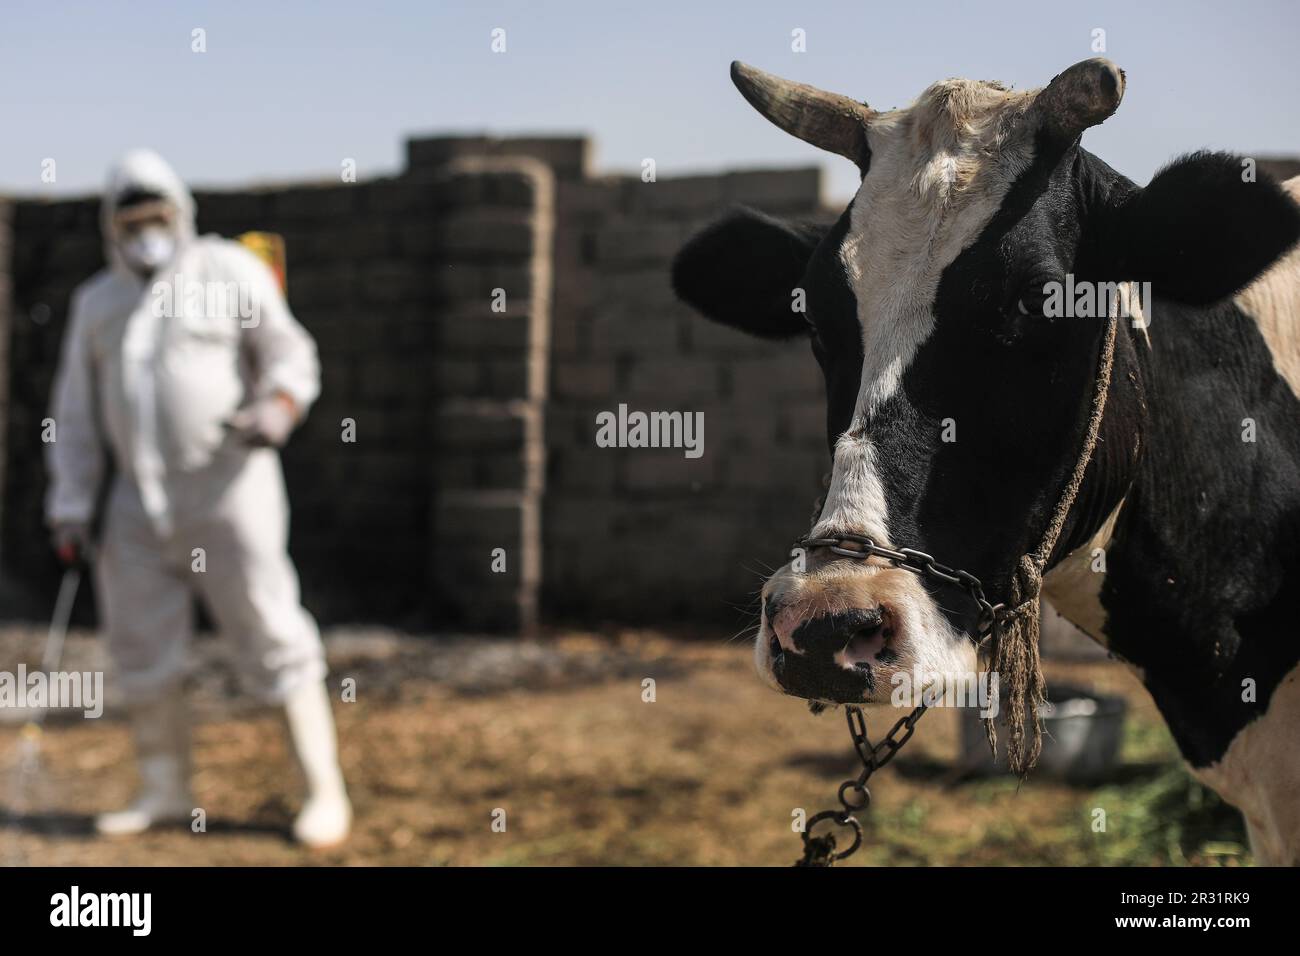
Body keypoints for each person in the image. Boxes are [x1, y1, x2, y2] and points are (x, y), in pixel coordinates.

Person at [44, 149, 350, 848]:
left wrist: (279, 405)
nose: (146, 233)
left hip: (229, 486)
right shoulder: (97, 302)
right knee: (141, 645)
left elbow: (289, 353)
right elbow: (77, 415)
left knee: (271, 629)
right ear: (110, 228)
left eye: (158, 217)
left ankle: (321, 789)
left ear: (180, 214)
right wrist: (70, 502)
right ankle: (164, 787)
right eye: (133, 222)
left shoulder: (228, 271)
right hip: (133, 505)